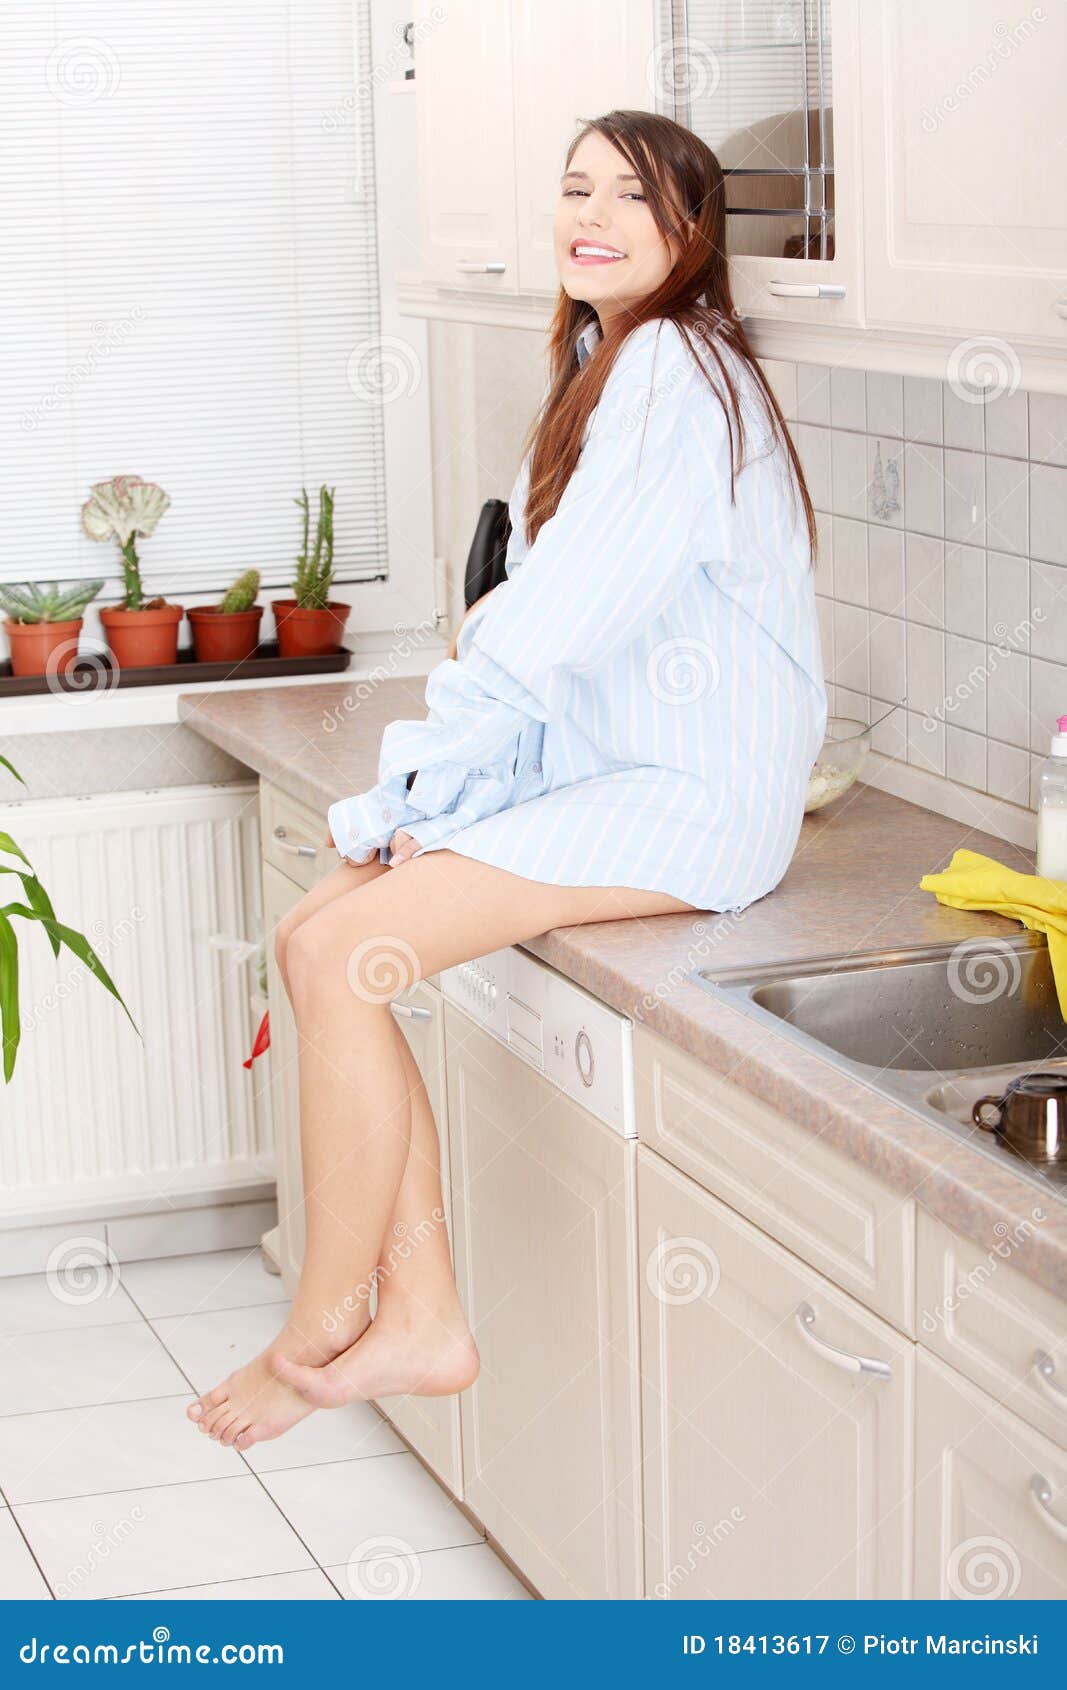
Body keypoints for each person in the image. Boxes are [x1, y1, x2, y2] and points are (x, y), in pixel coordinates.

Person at [187, 108, 826, 1450]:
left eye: (632, 198)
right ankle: (423, 1313)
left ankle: (322, 1327)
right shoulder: (613, 359)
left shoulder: (673, 373)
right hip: (622, 775)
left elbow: (545, 629)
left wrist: (406, 797)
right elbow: (553, 626)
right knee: (316, 938)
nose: (590, 216)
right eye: (575, 188)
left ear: (691, 232)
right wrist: (434, 803)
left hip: (691, 799)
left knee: (342, 953)